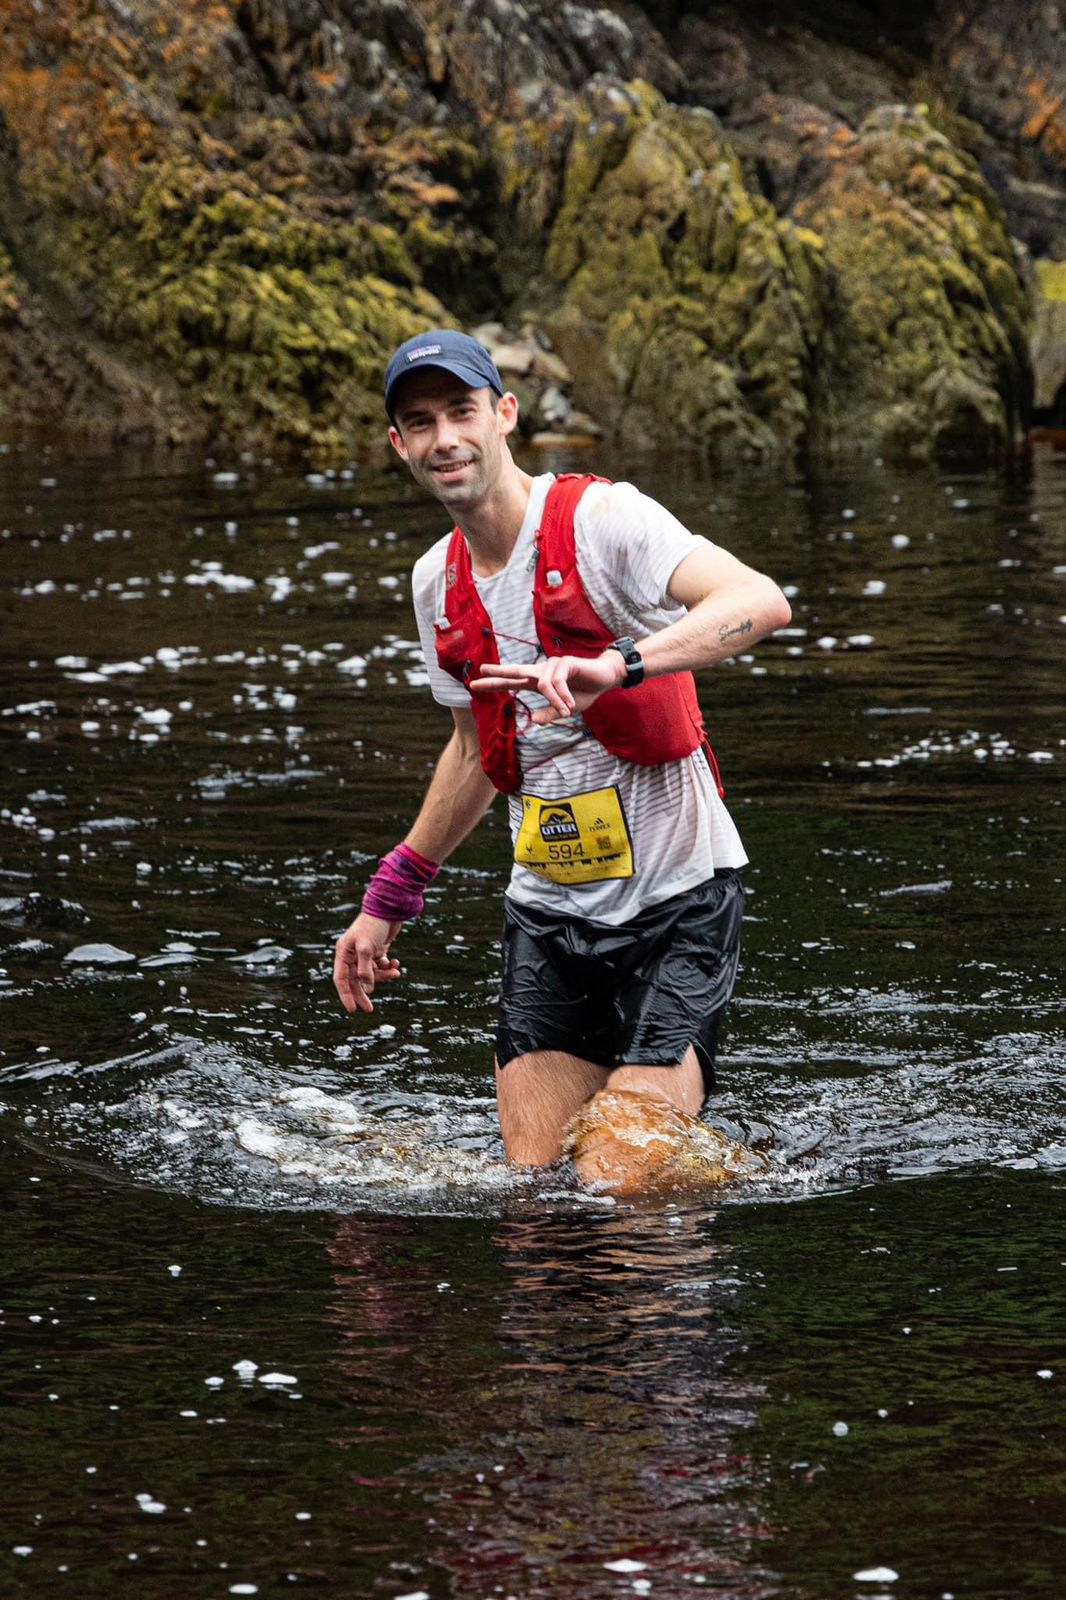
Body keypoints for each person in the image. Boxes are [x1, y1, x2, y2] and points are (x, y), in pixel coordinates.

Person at [333, 329, 791, 1170]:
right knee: (535, 1198)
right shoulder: (436, 583)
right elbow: (473, 751)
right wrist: (392, 892)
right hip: (549, 919)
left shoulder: (600, 521)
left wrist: (621, 665)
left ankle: (702, 1170)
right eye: (421, 423)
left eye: (462, 412)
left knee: (615, 1175)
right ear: (399, 444)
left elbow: (759, 601)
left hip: (677, 905)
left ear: (505, 415)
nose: (446, 440)